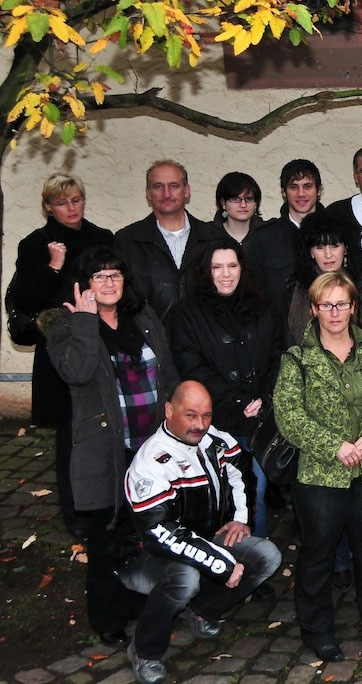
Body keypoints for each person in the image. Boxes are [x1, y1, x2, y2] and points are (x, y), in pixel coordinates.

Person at [39, 245, 178, 649]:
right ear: (84, 284)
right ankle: (108, 617)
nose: (108, 283)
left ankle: (145, 604)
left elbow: (166, 371)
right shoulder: (66, 326)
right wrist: (83, 320)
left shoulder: (143, 316)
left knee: (150, 530)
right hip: (104, 450)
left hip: (150, 447)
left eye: (115, 274)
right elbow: (76, 371)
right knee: (104, 538)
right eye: (99, 276)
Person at [273, 271, 362, 661]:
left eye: (341, 303)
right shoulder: (298, 358)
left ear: (353, 306)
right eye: (326, 304)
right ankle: (317, 630)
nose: (335, 311)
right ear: (313, 309)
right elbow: (289, 415)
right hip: (321, 476)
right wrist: (335, 446)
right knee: (318, 554)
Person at [121, 381, 281, 684]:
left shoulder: (215, 439)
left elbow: (243, 472)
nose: (200, 425)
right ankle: (145, 651)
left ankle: (202, 611)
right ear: (169, 410)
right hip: (146, 552)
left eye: (206, 416)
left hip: (201, 540)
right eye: (191, 415)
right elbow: (159, 532)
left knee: (267, 555)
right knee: (185, 577)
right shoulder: (151, 462)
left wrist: (241, 519)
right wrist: (220, 563)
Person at [7, 172, 114, 538]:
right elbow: (25, 300)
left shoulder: (102, 238)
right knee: (70, 434)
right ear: (48, 207)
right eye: (61, 202)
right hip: (58, 350)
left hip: (98, 345)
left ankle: (107, 505)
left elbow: (113, 286)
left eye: (76, 199)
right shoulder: (36, 243)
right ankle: (76, 516)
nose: (71, 208)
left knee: (102, 426)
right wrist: (53, 266)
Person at [166, 242, 283, 552]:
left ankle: (253, 556)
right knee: (216, 494)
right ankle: (215, 558)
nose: (225, 274)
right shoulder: (185, 315)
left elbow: (278, 356)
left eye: (232, 266)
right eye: (217, 267)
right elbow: (191, 368)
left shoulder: (265, 307)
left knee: (253, 490)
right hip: (213, 421)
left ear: (242, 268)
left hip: (258, 419)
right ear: (206, 271)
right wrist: (237, 400)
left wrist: (263, 398)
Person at [115, 160, 227, 319]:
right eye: (158, 186)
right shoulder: (126, 241)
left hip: (204, 339)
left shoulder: (214, 238)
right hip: (148, 341)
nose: (166, 194)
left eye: (174, 186)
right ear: (148, 193)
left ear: (187, 191)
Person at [283, 210, 362, 346]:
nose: (328, 255)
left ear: (345, 248)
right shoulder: (295, 289)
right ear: (310, 251)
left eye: (334, 246)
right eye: (320, 247)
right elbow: (286, 341)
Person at [245, 159, 325, 306]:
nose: (301, 193)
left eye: (307, 186)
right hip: (279, 327)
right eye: (293, 187)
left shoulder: (337, 233)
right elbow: (253, 294)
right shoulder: (264, 238)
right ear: (284, 192)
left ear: (319, 190)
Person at [212, 172, 262, 246]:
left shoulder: (268, 234)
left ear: (256, 203)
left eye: (249, 199)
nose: (243, 205)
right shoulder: (208, 236)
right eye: (235, 199)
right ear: (223, 203)